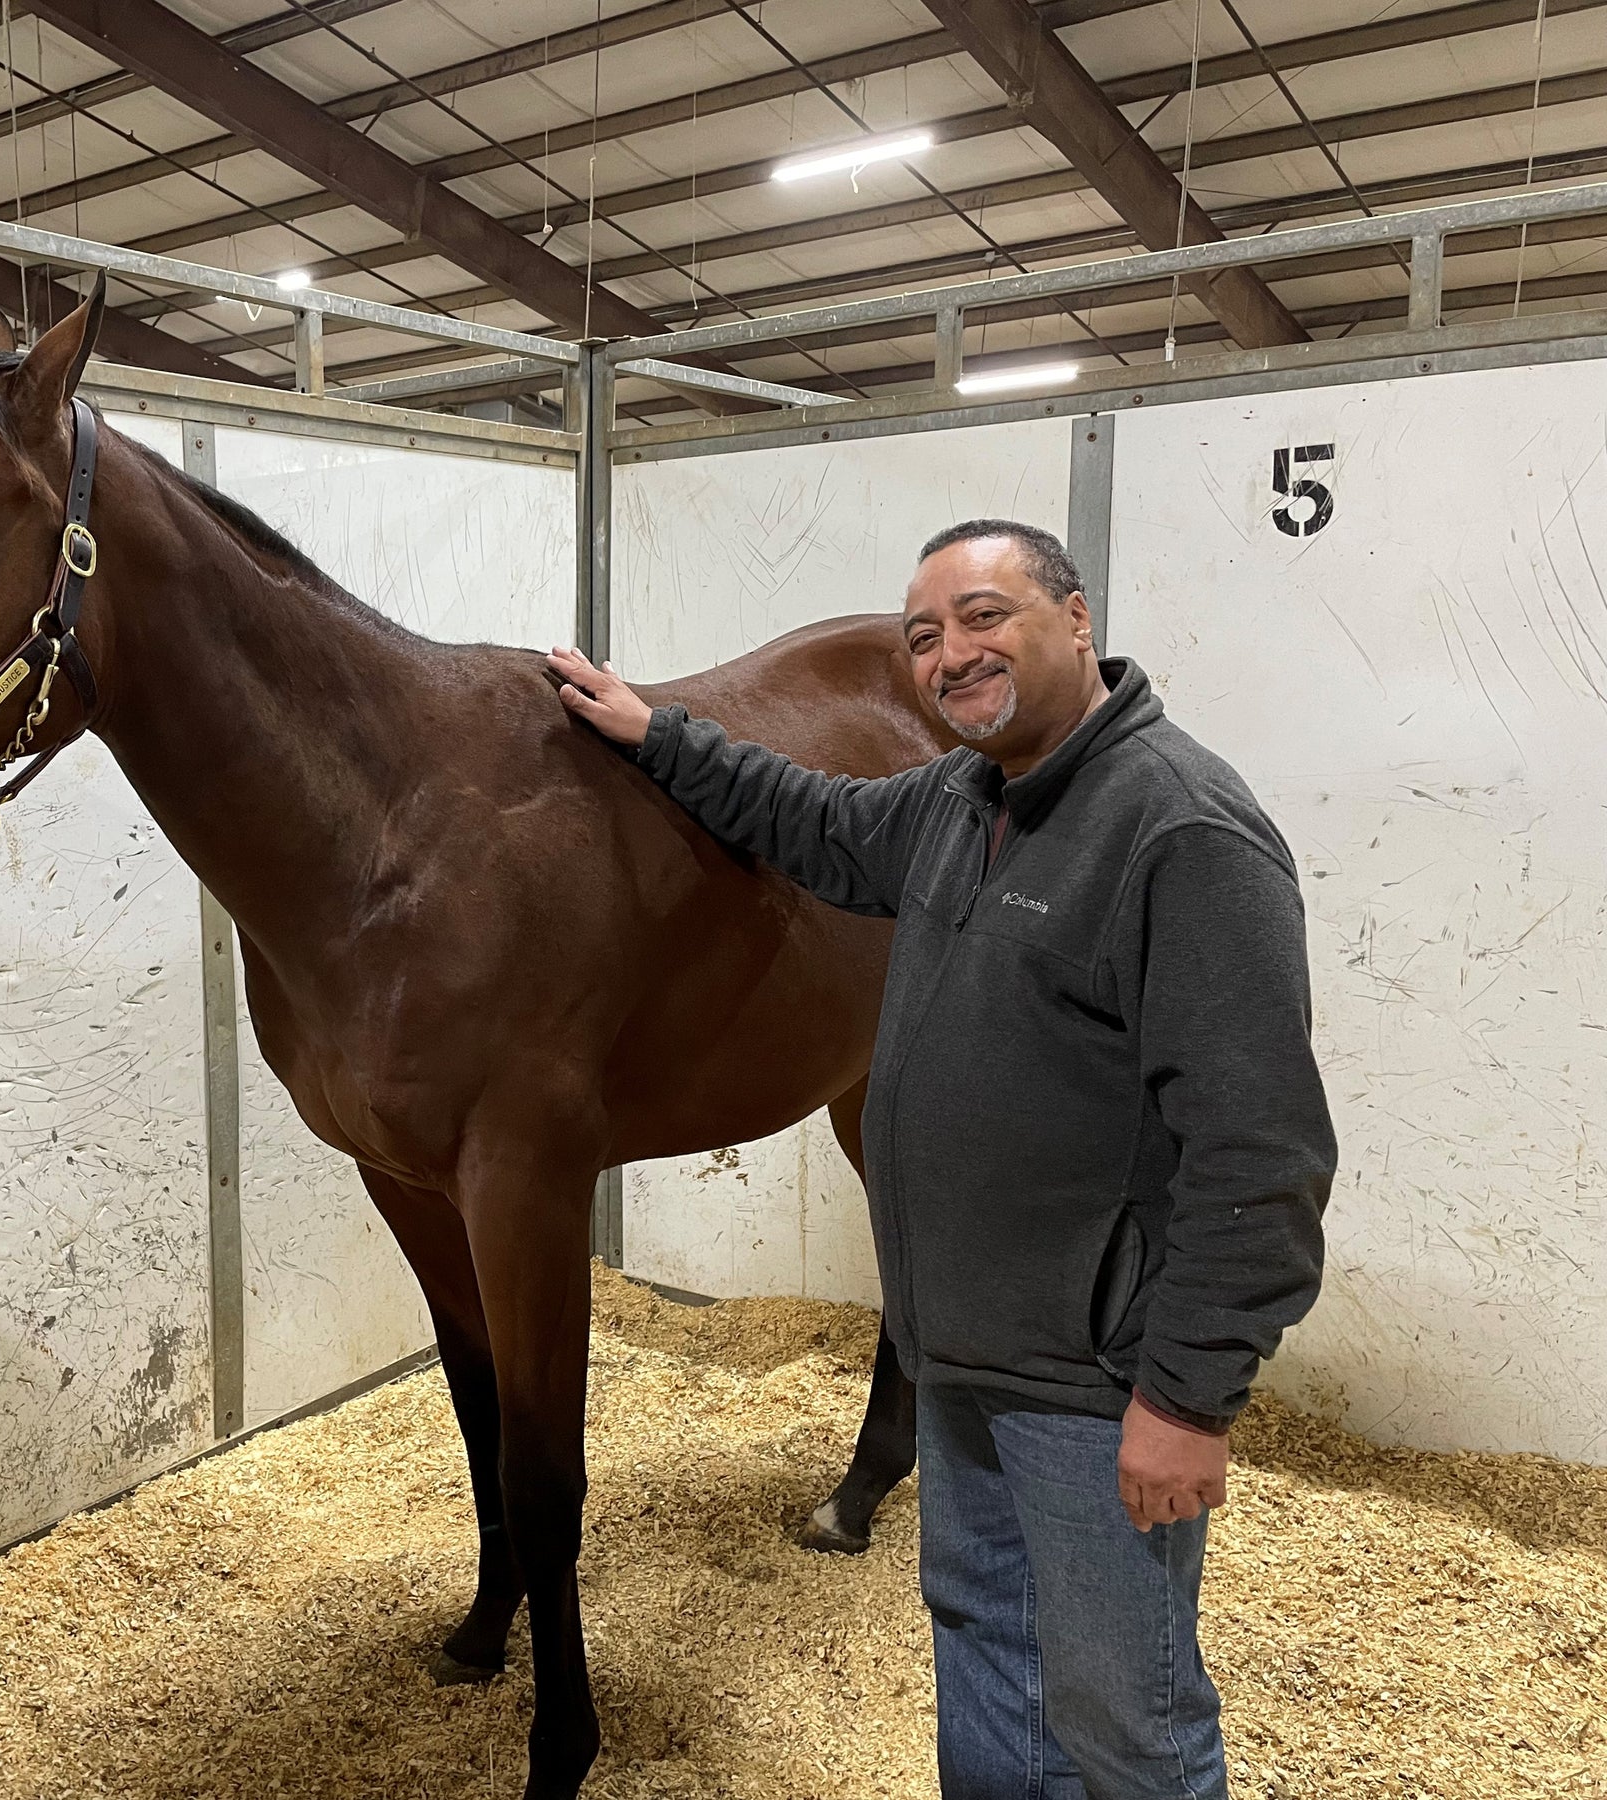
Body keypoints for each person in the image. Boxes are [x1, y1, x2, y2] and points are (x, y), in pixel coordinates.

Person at [548, 518, 1335, 1800]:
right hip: (960, 1357)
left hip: (1093, 1391)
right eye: (924, 637)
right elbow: (806, 816)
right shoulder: (962, 801)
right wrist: (656, 732)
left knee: (1125, 1718)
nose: (950, 656)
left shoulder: (1181, 830)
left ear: (1076, 619)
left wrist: (1189, 1402)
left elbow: (1265, 1155)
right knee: (990, 1664)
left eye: (982, 617)